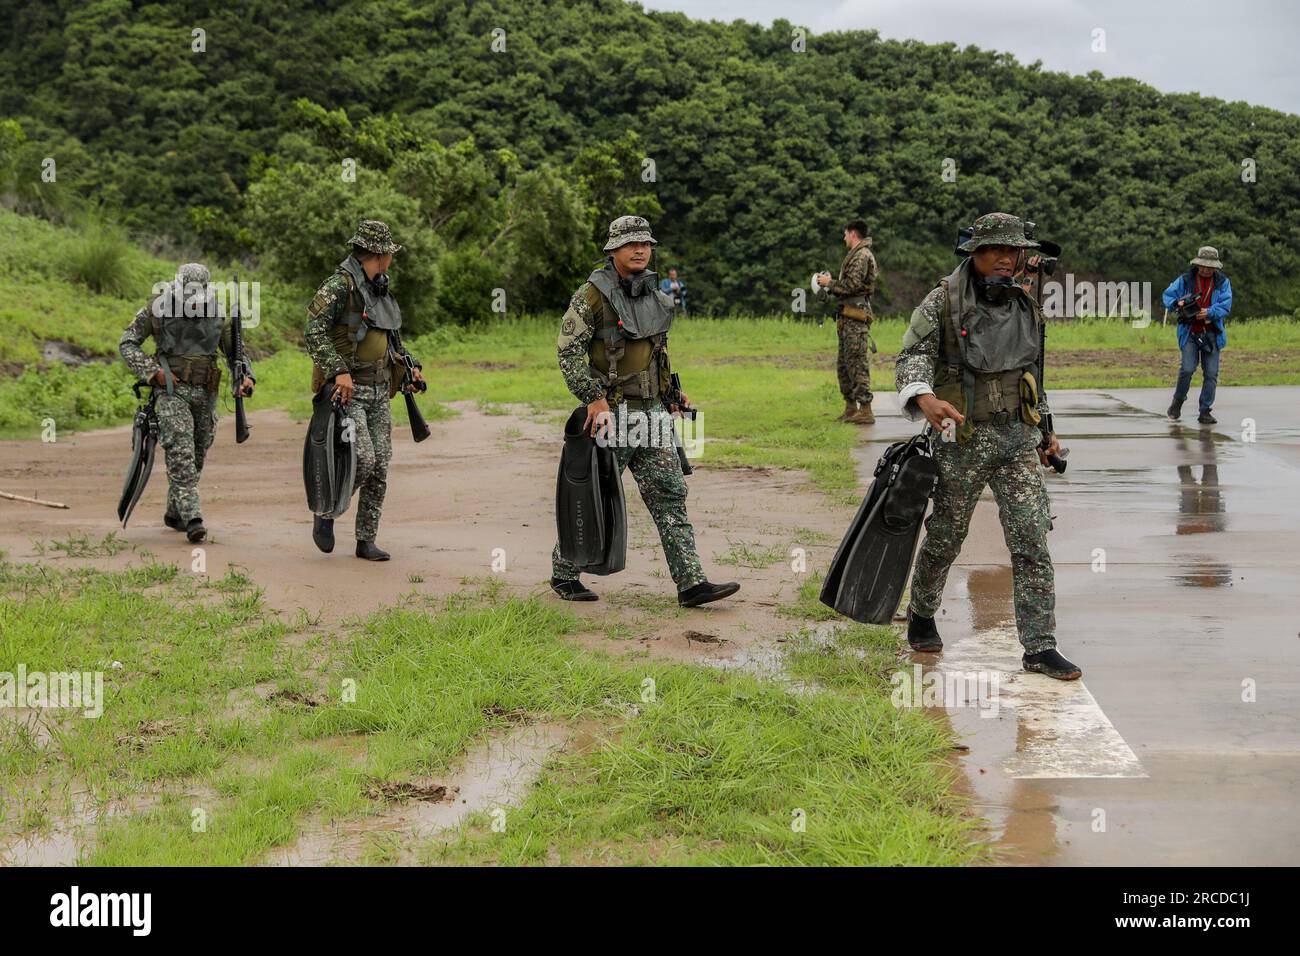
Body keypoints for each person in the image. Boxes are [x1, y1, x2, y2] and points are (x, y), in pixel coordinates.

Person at [895, 213, 1081, 681]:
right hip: (962, 438)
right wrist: (925, 398)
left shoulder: (1026, 302)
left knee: (1032, 537)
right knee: (946, 536)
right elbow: (911, 357)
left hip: (1017, 438)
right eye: (993, 250)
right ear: (974, 254)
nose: (1004, 258)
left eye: (1011, 250)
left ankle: (1040, 646)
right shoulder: (943, 300)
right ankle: (921, 613)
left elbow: (1033, 375)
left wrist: (1045, 432)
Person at [550, 215, 739, 607]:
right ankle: (564, 573)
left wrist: (672, 396)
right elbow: (567, 353)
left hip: (652, 416)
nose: (639, 250)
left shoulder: (655, 294)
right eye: (630, 244)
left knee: (671, 494)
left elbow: (657, 354)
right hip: (611, 416)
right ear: (613, 249)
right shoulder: (591, 295)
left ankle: (691, 584)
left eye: (645, 244)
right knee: (595, 497)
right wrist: (593, 398)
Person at [304, 219, 424, 561]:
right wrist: (337, 371)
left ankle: (365, 539)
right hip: (348, 391)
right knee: (364, 459)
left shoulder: (379, 287)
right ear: (379, 254)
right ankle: (327, 510)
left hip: (379, 388)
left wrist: (409, 366)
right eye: (388, 254)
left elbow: (389, 337)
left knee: (381, 465)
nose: (390, 261)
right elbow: (313, 331)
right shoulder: (339, 285)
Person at [119, 263, 255, 543]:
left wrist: (245, 377)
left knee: (196, 454)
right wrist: (150, 371)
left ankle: (175, 512)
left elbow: (236, 354)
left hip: (206, 394)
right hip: (171, 390)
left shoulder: (217, 312)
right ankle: (193, 518)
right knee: (180, 449)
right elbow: (128, 342)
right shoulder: (157, 309)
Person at [816, 218, 878, 424]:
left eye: (845, 234)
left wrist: (829, 283)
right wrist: (833, 283)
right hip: (848, 318)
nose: (843, 238)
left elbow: (851, 285)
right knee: (844, 365)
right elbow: (849, 285)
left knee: (856, 364)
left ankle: (865, 409)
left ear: (853, 233)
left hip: (855, 319)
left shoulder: (861, 255)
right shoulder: (856, 255)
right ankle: (851, 408)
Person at [1163, 245, 1232, 425]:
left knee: (1211, 374)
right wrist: (1177, 303)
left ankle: (1205, 411)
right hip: (1189, 332)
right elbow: (1167, 296)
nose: (1206, 269)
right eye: (1203, 265)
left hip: (1212, 334)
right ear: (1198, 264)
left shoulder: (1223, 282)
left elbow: (1226, 305)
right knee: (1187, 369)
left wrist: (1209, 312)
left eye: (1210, 267)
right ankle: (1177, 402)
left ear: (1215, 267)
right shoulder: (1185, 280)